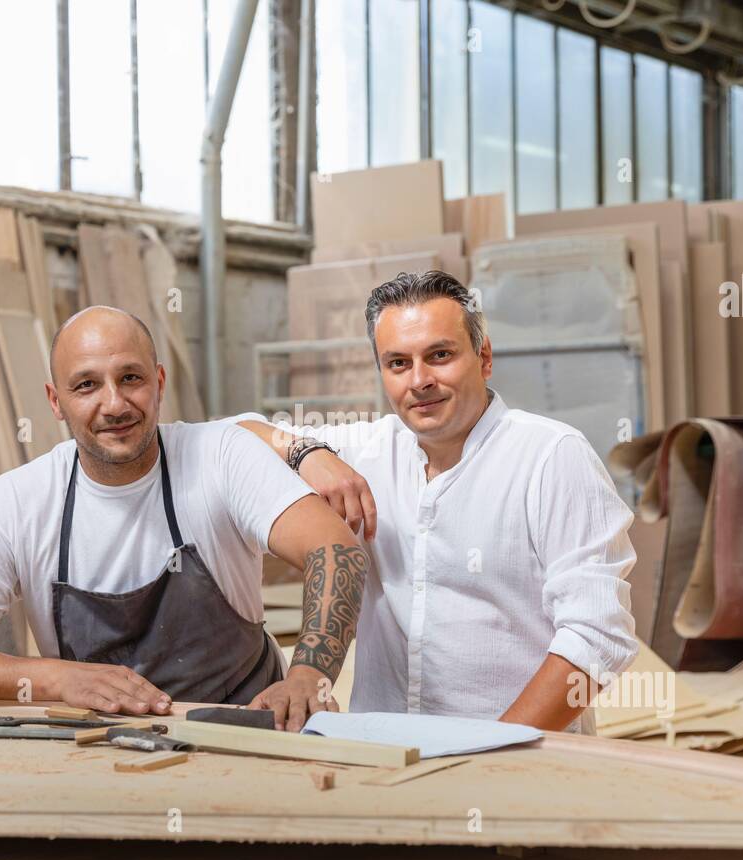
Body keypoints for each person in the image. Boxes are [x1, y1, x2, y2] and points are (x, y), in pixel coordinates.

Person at [0, 307, 367, 717]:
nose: (114, 404)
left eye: (131, 378)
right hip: (101, 748)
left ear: (159, 382)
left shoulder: (221, 456)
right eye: (87, 385)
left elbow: (335, 548)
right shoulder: (14, 503)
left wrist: (309, 674)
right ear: (55, 401)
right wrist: (59, 679)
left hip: (247, 731)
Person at [241, 271, 637, 732]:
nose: (420, 380)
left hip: (520, 763)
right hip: (387, 756)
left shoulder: (551, 457)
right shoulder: (365, 451)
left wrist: (495, 748)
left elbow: (598, 635)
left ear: (484, 357)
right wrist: (308, 454)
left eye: (440, 355)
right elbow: (227, 438)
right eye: (398, 363)